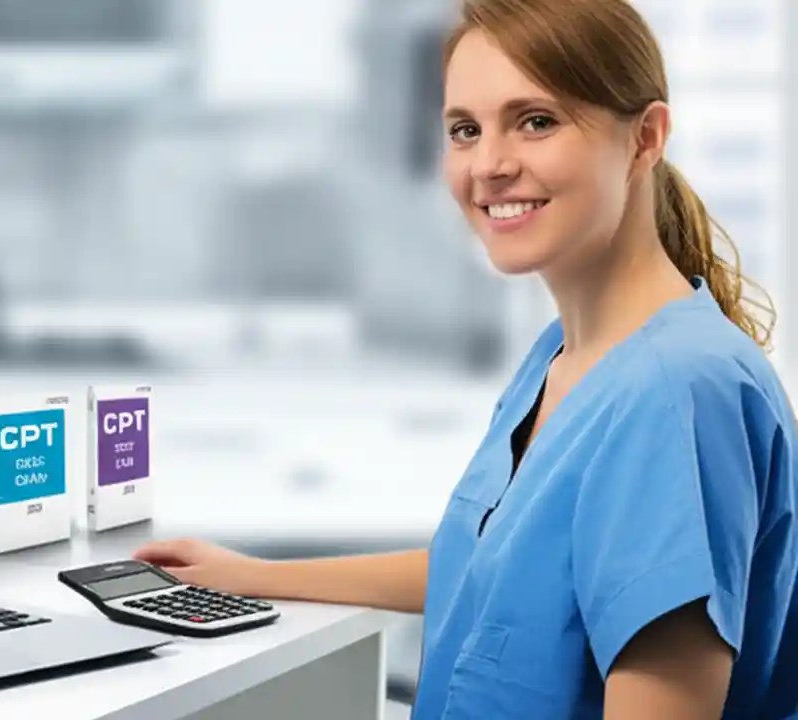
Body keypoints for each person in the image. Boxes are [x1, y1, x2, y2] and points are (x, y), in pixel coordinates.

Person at [133, 0, 798, 717]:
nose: (489, 165)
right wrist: (256, 575)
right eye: (465, 130)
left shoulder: (678, 392)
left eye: (536, 121)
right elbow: (499, 572)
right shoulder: (562, 359)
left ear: (645, 139)